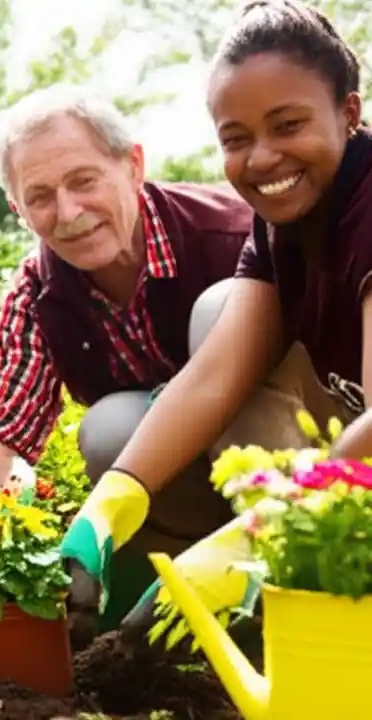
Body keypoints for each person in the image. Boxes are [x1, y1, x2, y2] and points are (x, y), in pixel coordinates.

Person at [0, 82, 322, 642]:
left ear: (132, 166)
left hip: (313, 456)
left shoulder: (232, 233)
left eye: (83, 181)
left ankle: (297, 568)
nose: (69, 212)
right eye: (41, 196)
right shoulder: (38, 295)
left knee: (222, 311)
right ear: (18, 210)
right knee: (108, 429)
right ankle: (186, 612)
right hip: (188, 482)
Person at [49, 0, 371, 650]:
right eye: (236, 138)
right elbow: (214, 378)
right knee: (213, 323)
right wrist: (101, 516)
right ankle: (282, 610)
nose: (262, 158)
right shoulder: (282, 224)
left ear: (349, 112)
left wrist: (229, 558)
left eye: (288, 125)